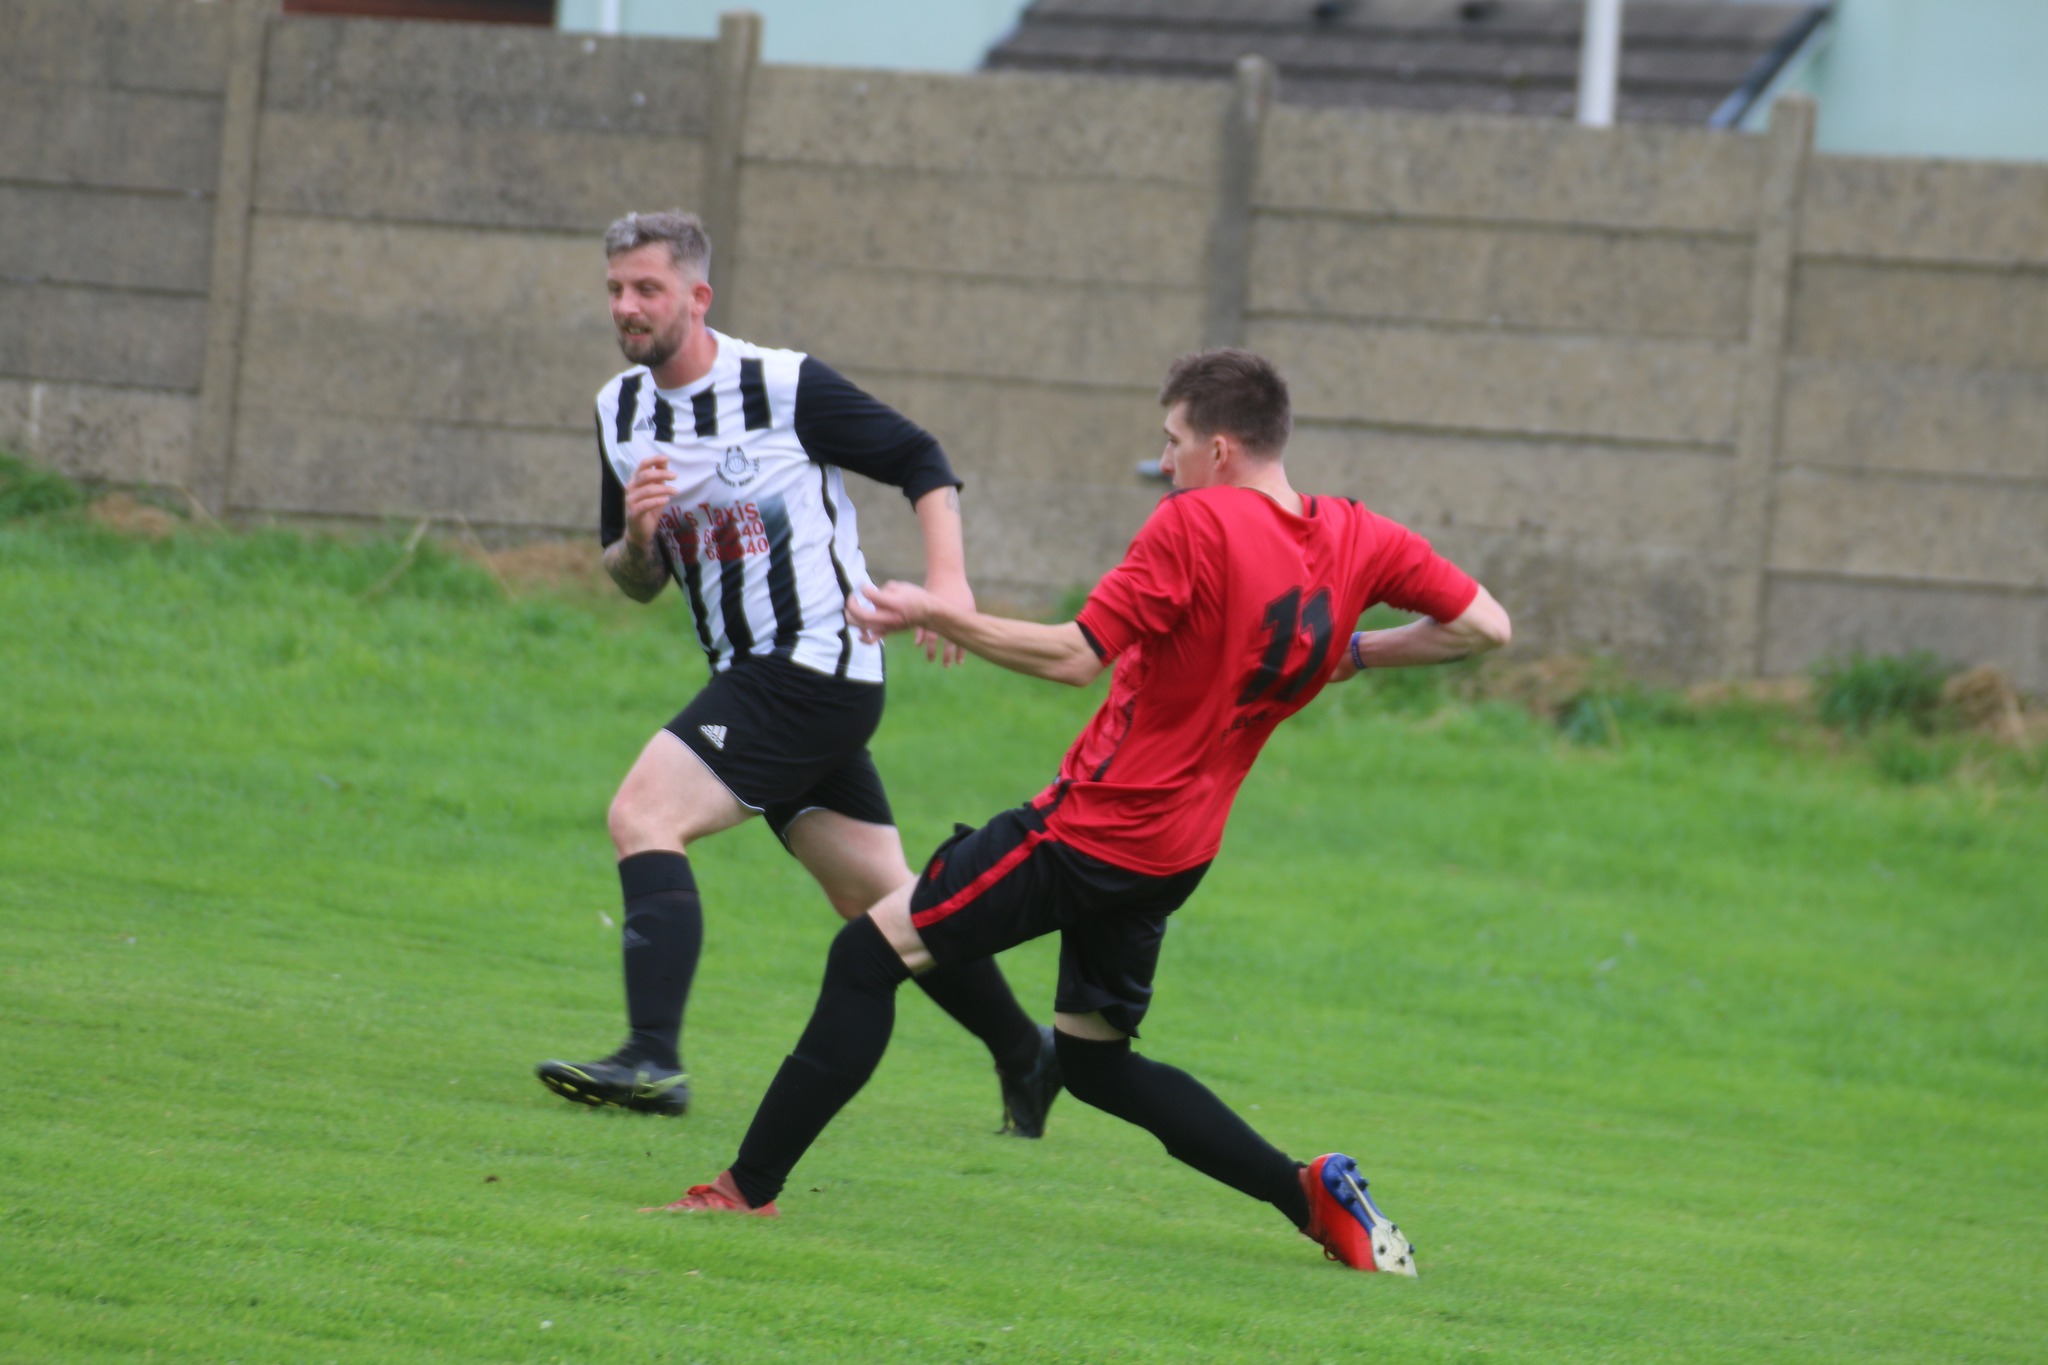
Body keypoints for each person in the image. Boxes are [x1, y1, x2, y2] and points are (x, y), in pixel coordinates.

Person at [650, 348, 1511, 1274]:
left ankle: (741, 1190)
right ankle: (1308, 1193)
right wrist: (1357, 653)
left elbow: (1073, 655)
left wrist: (941, 615)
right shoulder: (1357, 534)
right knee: (1096, 1064)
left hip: (1089, 833)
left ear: (1221, 449)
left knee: (867, 955)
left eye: (1173, 441)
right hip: (1176, 854)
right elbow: (1483, 626)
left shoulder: (1194, 523)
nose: (1166, 460)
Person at [534, 210, 1060, 1138]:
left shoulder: (779, 385)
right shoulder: (619, 410)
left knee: (643, 814)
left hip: (813, 664)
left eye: (648, 288)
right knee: (875, 894)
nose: (626, 306)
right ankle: (1028, 1053)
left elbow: (921, 458)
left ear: (698, 296)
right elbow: (633, 578)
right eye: (615, 288)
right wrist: (642, 536)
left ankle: (653, 1056)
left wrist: (948, 589)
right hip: (763, 676)